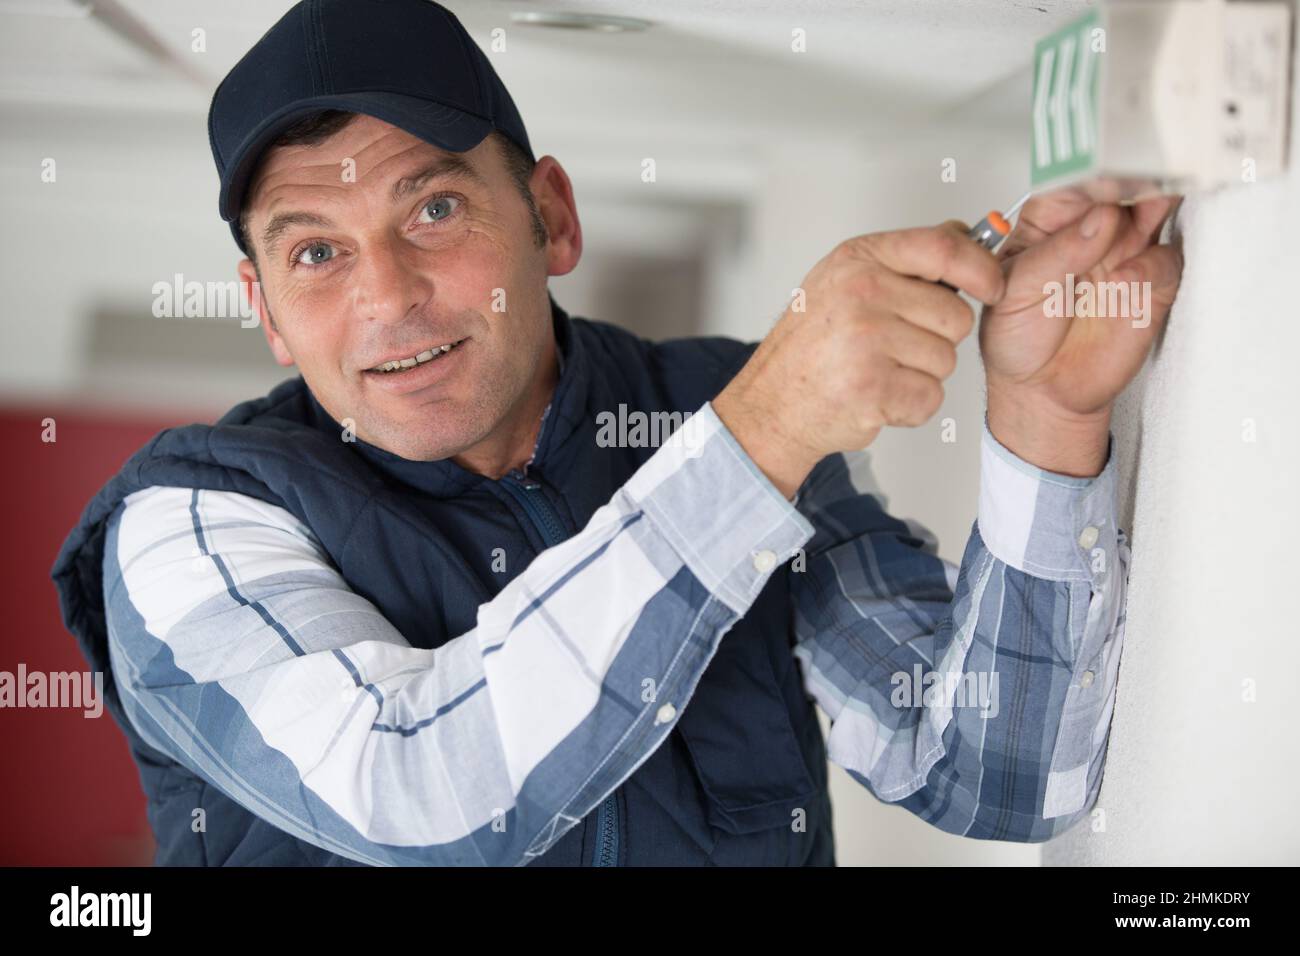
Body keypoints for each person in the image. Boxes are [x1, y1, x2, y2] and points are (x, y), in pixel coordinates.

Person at [52, 0, 1182, 866]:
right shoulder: (189, 523)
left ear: (552, 215)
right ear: (269, 317)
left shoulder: (714, 407)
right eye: (315, 252)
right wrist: (757, 434)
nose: (387, 295)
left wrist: (1045, 418)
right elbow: (420, 790)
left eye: (433, 208)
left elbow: (999, 773)